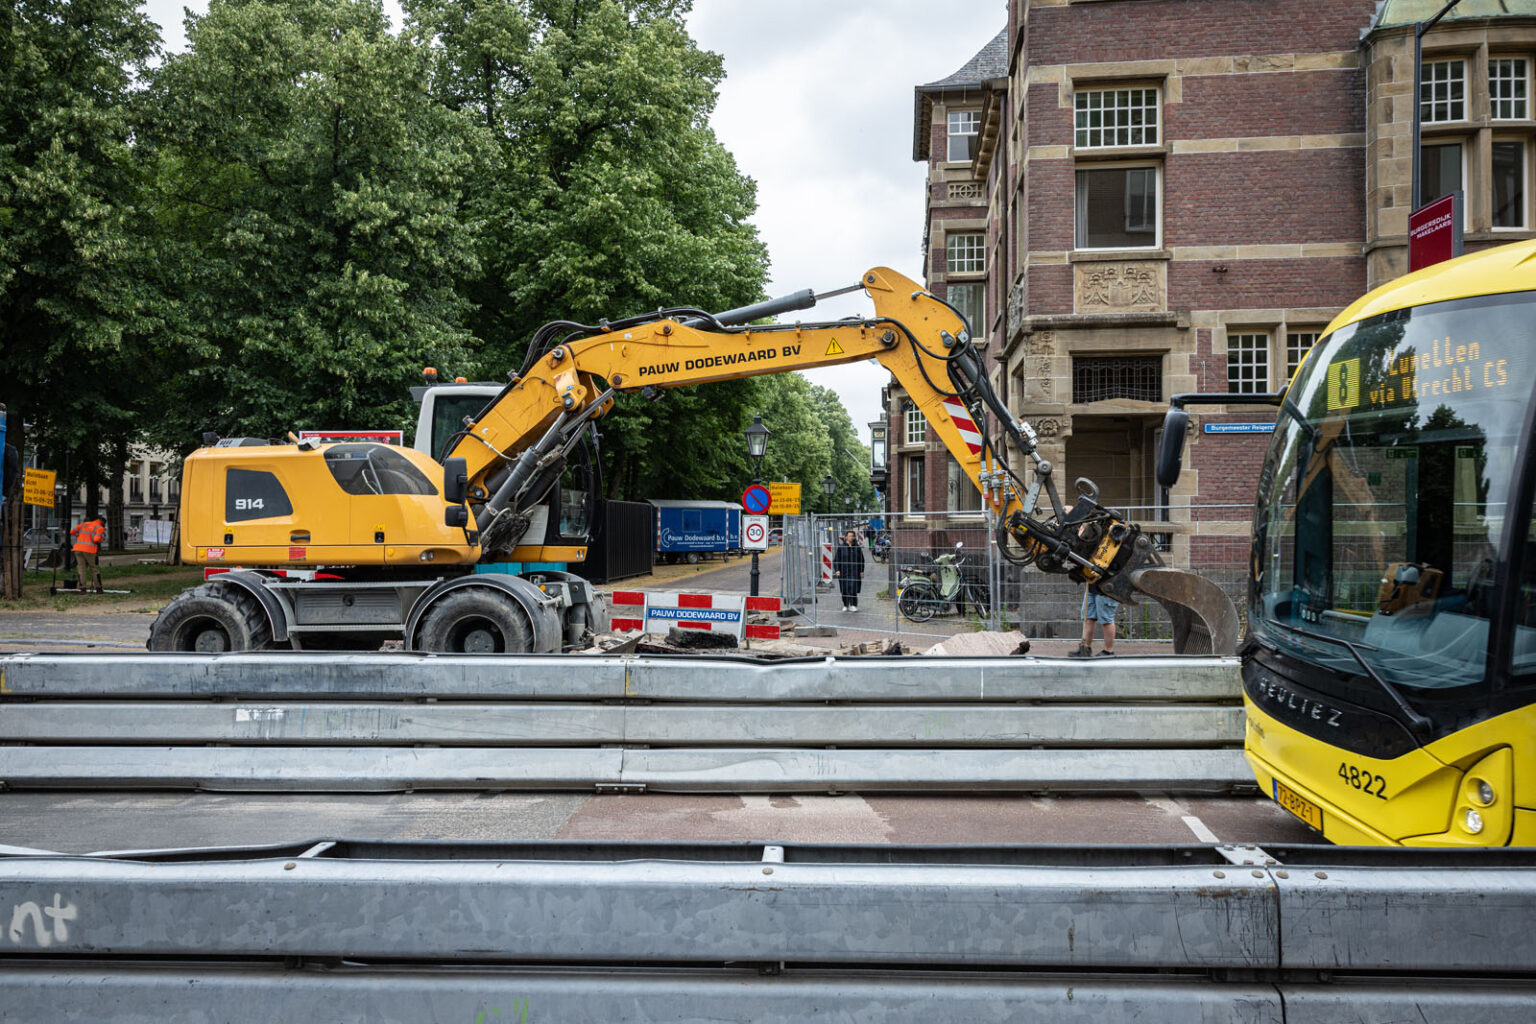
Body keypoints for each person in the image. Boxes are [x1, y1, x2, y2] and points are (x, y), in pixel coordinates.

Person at [1072, 580, 1118, 657]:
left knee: (1106, 620)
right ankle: (1085, 648)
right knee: (1088, 618)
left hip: (1107, 587)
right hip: (1091, 587)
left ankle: (1108, 651)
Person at [832, 529, 865, 612]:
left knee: (853, 588)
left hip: (854, 572)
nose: (851, 537)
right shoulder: (841, 548)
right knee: (844, 589)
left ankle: (853, 605)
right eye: (849, 536)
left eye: (852, 536)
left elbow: (861, 560)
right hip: (844, 572)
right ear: (846, 537)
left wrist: (861, 571)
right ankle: (846, 605)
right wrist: (837, 570)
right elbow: (836, 560)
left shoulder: (857, 548)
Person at [71, 515, 106, 593]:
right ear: (102, 523)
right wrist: (100, 538)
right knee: (94, 569)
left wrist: (79, 535)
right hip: (89, 550)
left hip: (78, 549)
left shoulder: (84, 524)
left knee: (81, 569)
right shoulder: (99, 528)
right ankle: (99, 588)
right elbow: (96, 539)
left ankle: (82, 588)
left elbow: (72, 531)